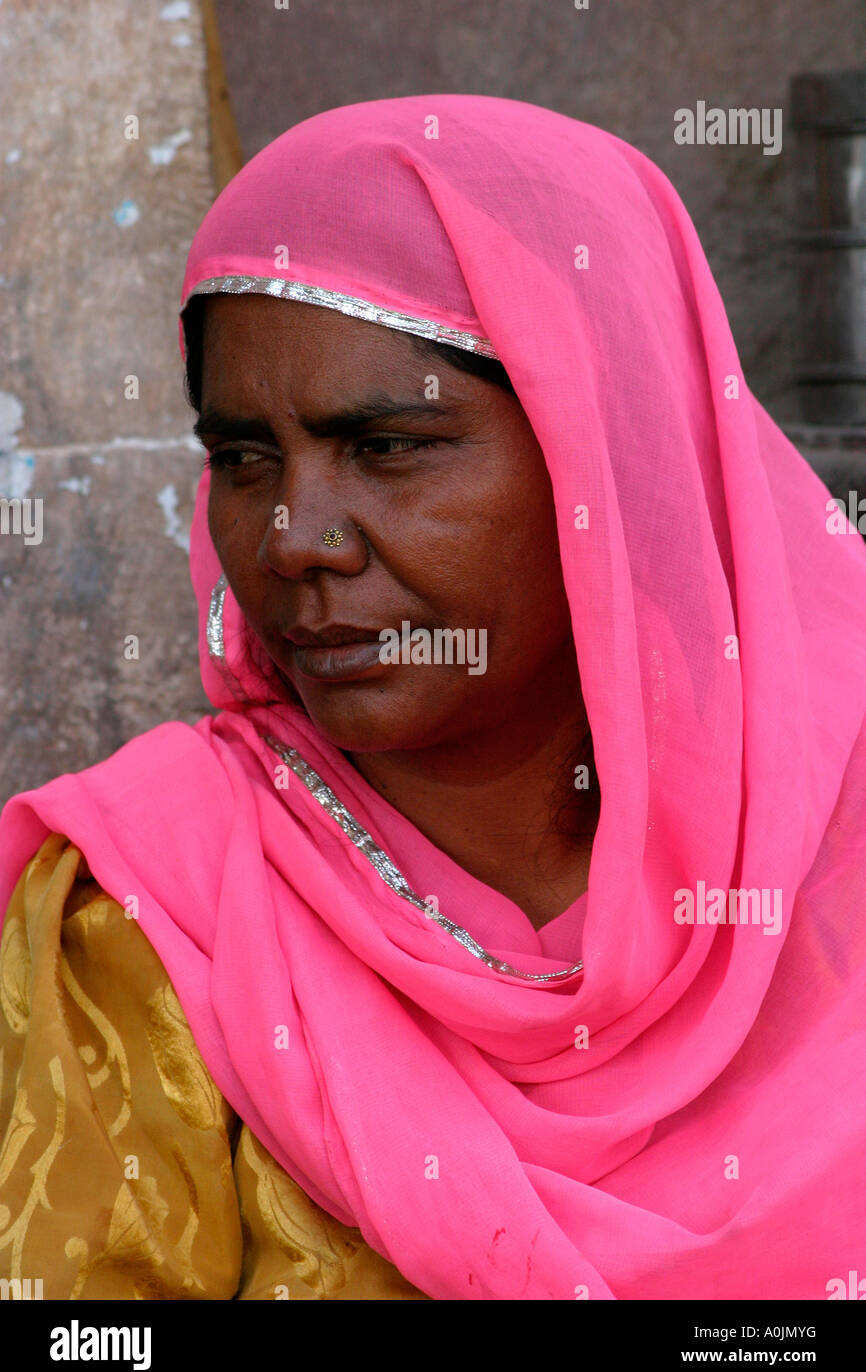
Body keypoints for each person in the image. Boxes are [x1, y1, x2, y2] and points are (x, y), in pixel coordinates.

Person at [1, 93, 865, 1302]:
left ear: (599, 451)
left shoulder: (832, 851)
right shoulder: (160, 912)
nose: (295, 538)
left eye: (387, 446)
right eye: (244, 459)